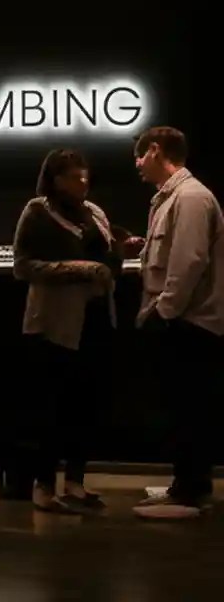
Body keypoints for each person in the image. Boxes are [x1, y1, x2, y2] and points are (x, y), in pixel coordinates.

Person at [12, 149, 121, 514]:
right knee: (51, 407)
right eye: (75, 176)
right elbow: (23, 266)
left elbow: (107, 259)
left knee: (84, 405)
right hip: (54, 323)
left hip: (93, 319)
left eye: (86, 175)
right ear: (56, 179)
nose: (83, 183)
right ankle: (43, 486)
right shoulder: (38, 211)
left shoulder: (95, 213)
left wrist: (118, 253)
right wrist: (75, 269)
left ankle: (75, 482)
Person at [130, 127, 224, 520]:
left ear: (154, 150)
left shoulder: (190, 198)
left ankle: (188, 490)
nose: (136, 166)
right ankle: (186, 484)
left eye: (139, 156)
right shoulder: (174, 198)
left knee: (190, 409)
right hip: (184, 321)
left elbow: (188, 263)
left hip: (191, 323)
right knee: (184, 408)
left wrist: (162, 312)